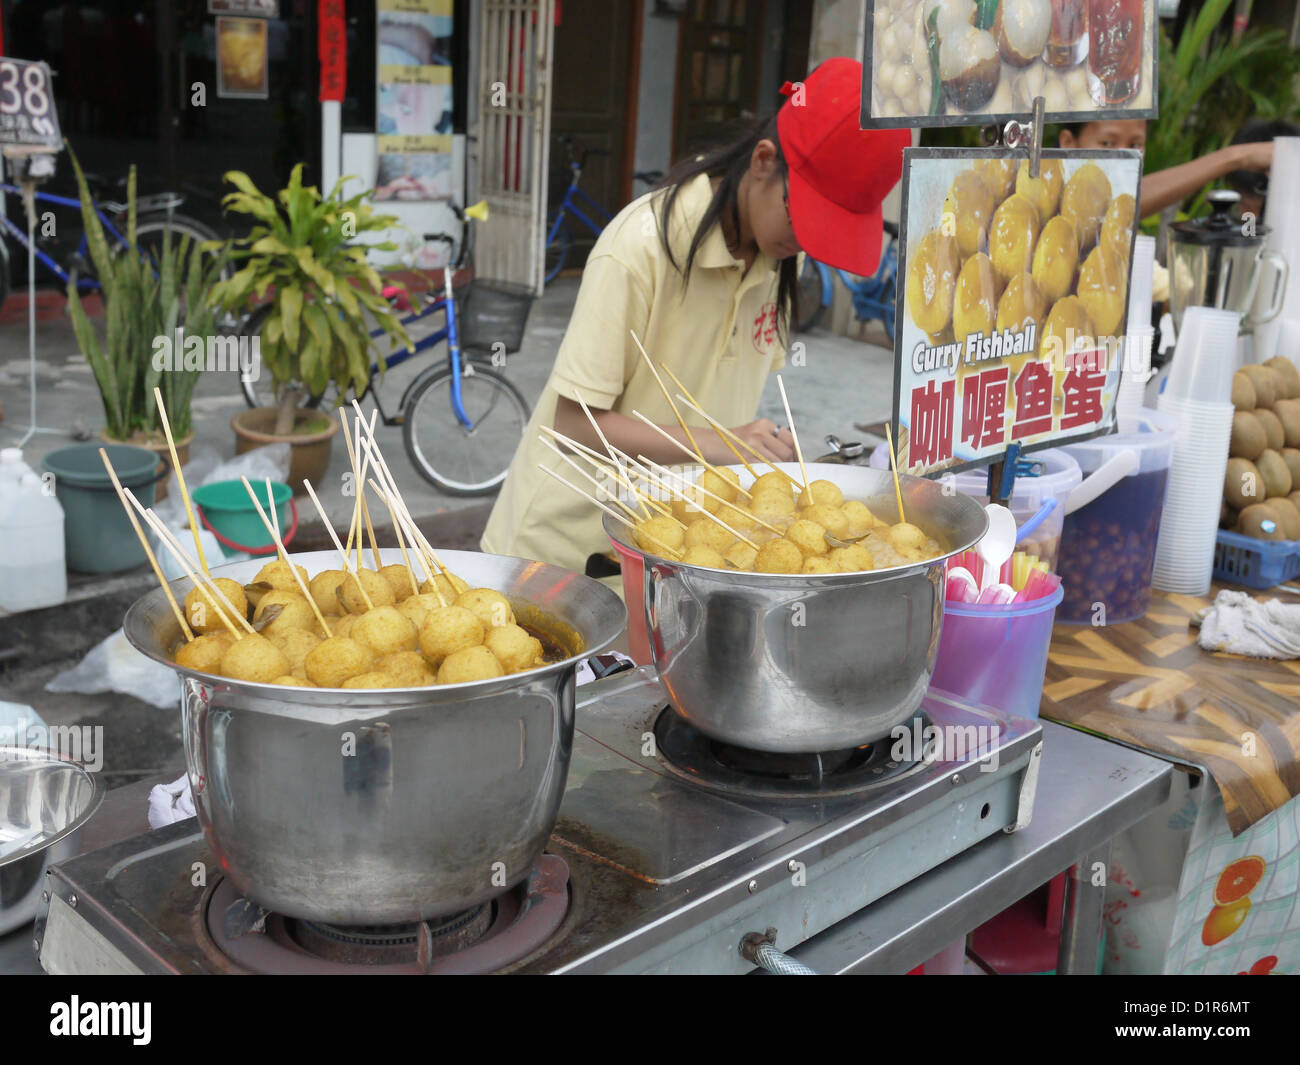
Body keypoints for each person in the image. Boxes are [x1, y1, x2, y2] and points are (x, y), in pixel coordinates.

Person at [481, 58, 909, 579]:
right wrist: (720, 441)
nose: (804, 244)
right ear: (762, 161)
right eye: (805, 220)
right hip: (563, 555)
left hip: (675, 551)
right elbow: (574, 425)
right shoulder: (638, 248)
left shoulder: (775, 262)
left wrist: (756, 447)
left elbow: (722, 392)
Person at [1058, 119, 1275, 218]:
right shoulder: (1049, 199)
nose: (1125, 157)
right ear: (1068, 142)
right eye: (1107, 143)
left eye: (1135, 145)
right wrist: (1234, 157)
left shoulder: (1250, 221)